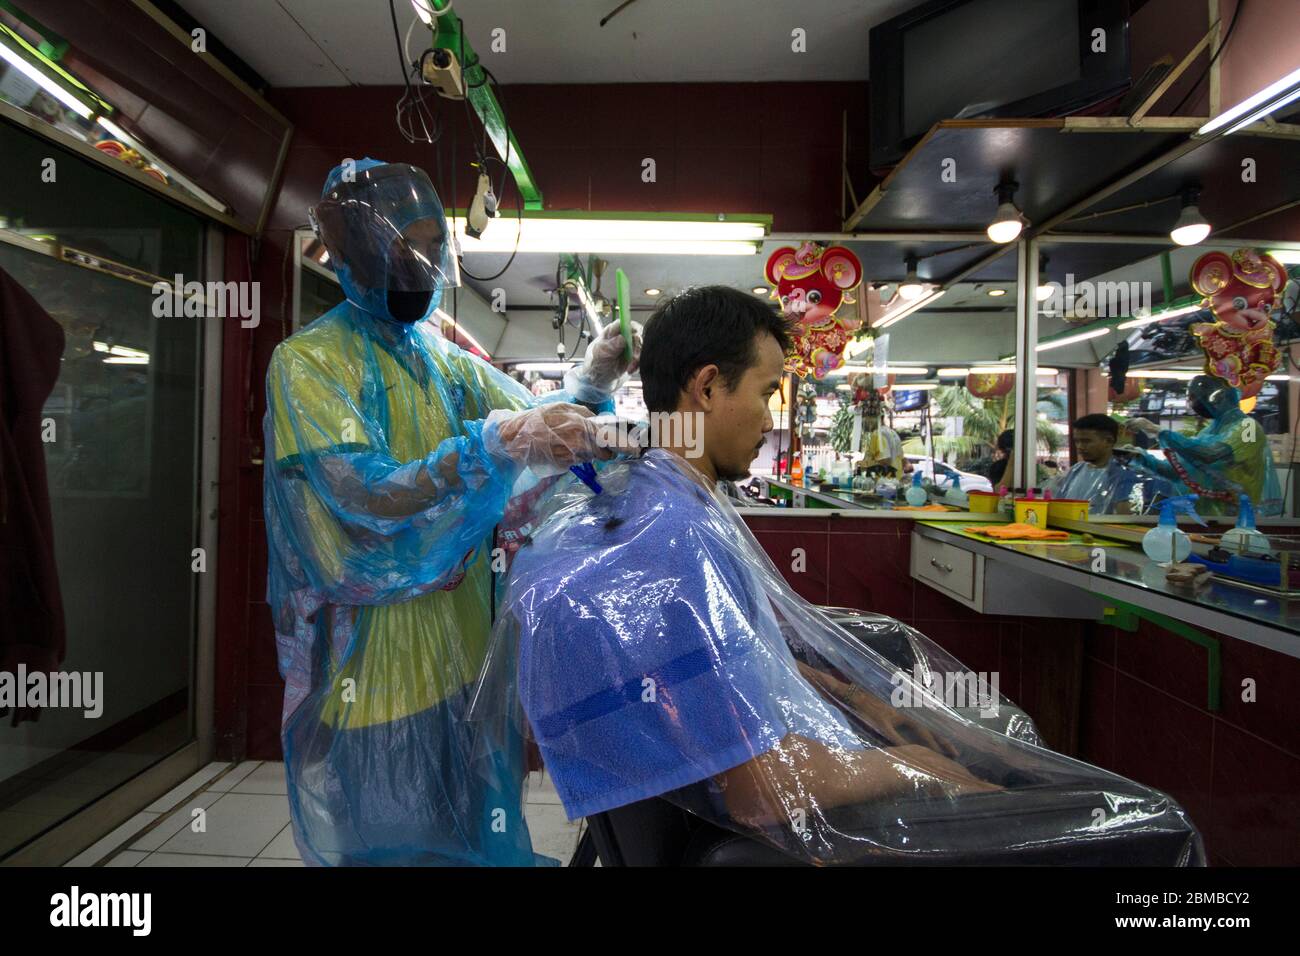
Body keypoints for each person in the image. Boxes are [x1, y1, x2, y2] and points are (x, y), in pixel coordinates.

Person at [480, 286, 1204, 865]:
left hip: (766, 769)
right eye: (765, 392)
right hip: (763, 832)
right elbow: (759, 792)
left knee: (991, 752)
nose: (770, 417)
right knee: (1153, 827)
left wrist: (846, 692)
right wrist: (910, 768)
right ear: (706, 387)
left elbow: (717, 664)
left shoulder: (667, 504)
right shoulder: (675, 538)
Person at [263, 158, 639, 866]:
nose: (422, 266)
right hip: (375, 667)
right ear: (351, 253)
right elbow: (363, 496)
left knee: (474, 824)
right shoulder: (308, 363)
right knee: (397, 837)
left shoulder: (436, 359)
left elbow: (531, 422)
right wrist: (480, 450)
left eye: (434, 249)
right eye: (405, 248)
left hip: (465, 653)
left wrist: (591, 382)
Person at [1127, 374, 1282, 516]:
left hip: (1236, 518)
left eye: (1196, 398)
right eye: (1192, 399)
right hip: (1204, 517)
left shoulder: (1248, 428)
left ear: (1218, 397)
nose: (1194, 404)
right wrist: (1140, 458)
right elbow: (1178, 471)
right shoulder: (1209, 431)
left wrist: (1157, 431)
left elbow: (1210, 454)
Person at [1051, 413, 1139, 514]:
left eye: (1086, 441)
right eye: (1077, 441)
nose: (1080, 446)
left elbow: (1125, 516)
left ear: (1108, 441)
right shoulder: (1076, 470)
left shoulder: (1121, 475)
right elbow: (1059, 505)